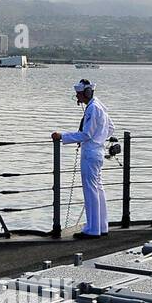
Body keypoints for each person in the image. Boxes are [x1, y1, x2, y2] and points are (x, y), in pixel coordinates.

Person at [51, 79, 114, 239]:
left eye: (78, 94)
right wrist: (100, 139)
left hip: (91, 153)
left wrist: (63, 136)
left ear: (86, 93)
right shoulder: (100, 106)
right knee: (98, 189)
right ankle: (101, 225)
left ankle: (92, 230)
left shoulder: (92, 108)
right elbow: (111, 128)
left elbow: (86, 134)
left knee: (90, 190)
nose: (77, 97)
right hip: (97, 152)